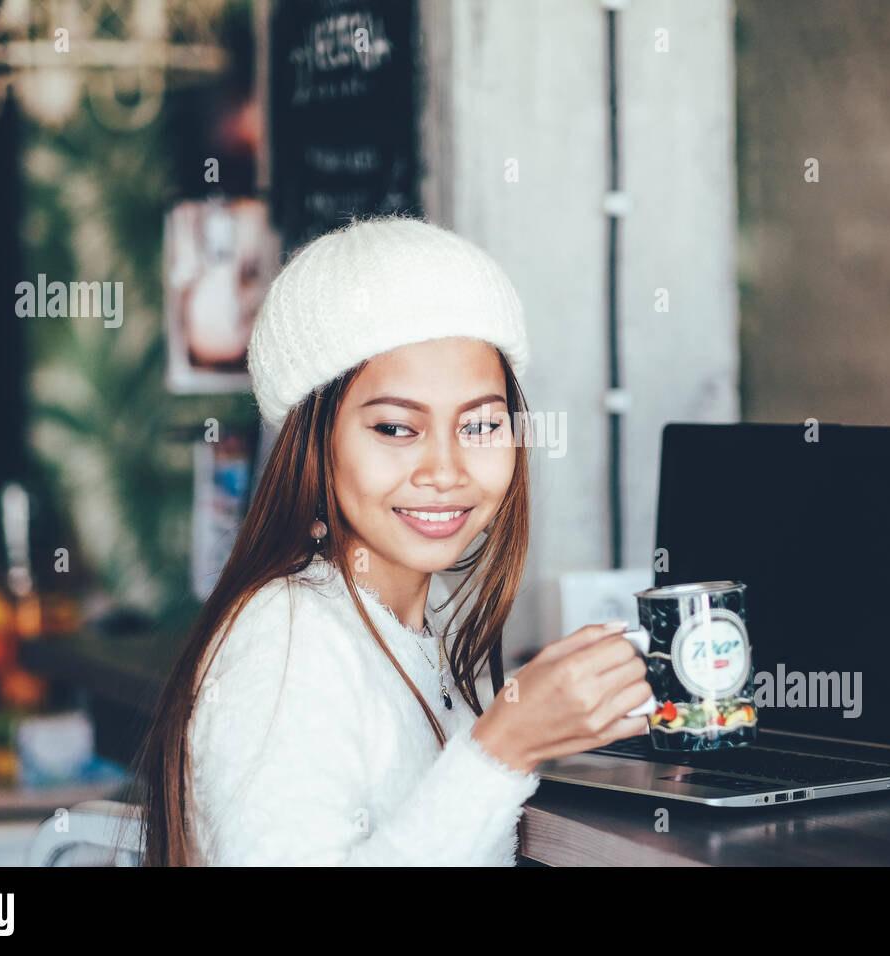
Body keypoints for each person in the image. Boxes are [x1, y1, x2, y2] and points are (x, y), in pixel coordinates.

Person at [133, 213, 653, 865]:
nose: (445, 470)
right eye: (396, 429)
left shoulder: (421, 623)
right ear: (314, 448)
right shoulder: (286, 639)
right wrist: (503, 746)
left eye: (481, 426)